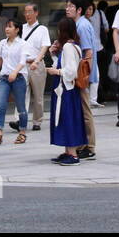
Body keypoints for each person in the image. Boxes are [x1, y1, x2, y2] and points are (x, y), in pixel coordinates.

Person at [47, 17, 87, 165]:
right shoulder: (73, 46)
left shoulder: (69, 48)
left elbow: (70, 71)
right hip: (67, 89)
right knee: (66, 119)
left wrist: (55, 72)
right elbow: (65, 65)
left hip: (66, 90)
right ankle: (68, 151)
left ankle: (73, 154)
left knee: (67, 119)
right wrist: (53, 55)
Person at [66, 0, 98, 160]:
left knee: (85, 110)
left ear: (79, 10)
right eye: (67, 6)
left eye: (71, 6)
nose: (67, 9)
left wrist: (85, 75)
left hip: (81, 75)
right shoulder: (77, 25)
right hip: (79, 74)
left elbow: (88, 52)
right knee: (80, 109)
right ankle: (82, 144)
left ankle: (90, 146)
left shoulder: (83, 26)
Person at [0, 18, 29, 145]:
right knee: (1, 106)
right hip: (4, 78)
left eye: (10, 26)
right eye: (6, 26)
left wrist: (15, 72)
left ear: (17, 30)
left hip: (18, 78)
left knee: (21, 107)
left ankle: (22, 133)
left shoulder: (23, 44)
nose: (7, 29)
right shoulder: (2, 43)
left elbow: (22, 62)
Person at [18, 2, 50, 132]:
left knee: (38, 96)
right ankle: (20, 119)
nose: (27, 14)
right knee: (21, 93)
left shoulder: (42, 29)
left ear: (36, 13)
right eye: (25, 12)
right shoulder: (21, 28)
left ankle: (37, 121)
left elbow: (45, 47)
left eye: (30, 11)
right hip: (23, 65)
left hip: (37, 65)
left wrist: (37, 61)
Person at [86, 0, 107, 107]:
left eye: (91, 9)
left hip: (96, 49)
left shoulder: (90, 20)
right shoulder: (83, 22)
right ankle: (89, 99)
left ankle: (92, 99)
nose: (89, 11)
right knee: (87, 76)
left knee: (96, 76)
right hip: (88, 52)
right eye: (87, 9)